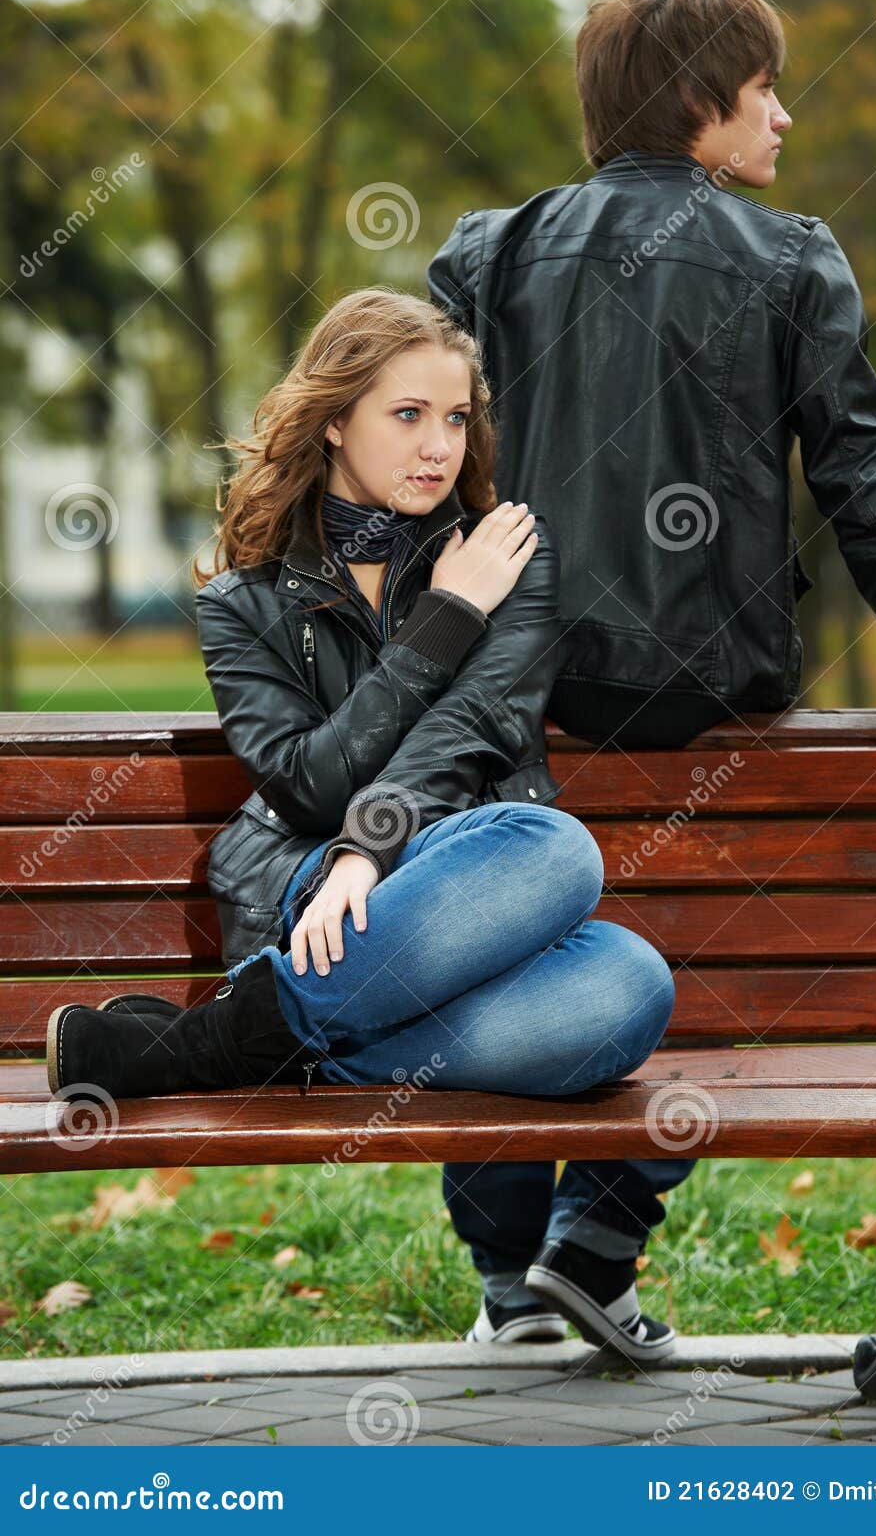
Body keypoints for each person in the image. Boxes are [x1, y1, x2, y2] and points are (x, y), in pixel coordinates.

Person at [427, 0, 876, 1358]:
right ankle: (595, 1240)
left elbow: (417, 475)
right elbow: (864, 487)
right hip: (703, 698)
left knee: (490, 951)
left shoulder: (485, 255)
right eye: (767, 86)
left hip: (508, 689)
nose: (785, 112)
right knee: (716, 958)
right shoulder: (790, 260)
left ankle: (504, 1278)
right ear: (705, 102)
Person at [45, 291, 677, 1367]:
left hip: (460, 891)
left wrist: (368, 841)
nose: (441, 446)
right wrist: (445, 620)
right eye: (408, 415)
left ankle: (217, 1044)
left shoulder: (509, 550)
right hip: (322, 905)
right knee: (559, 844)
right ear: (335, 417)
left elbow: (480, 731)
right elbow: (305, 778)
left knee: (632, 984)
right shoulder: (243, 602)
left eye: (459, 418)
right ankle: (293, 1028)